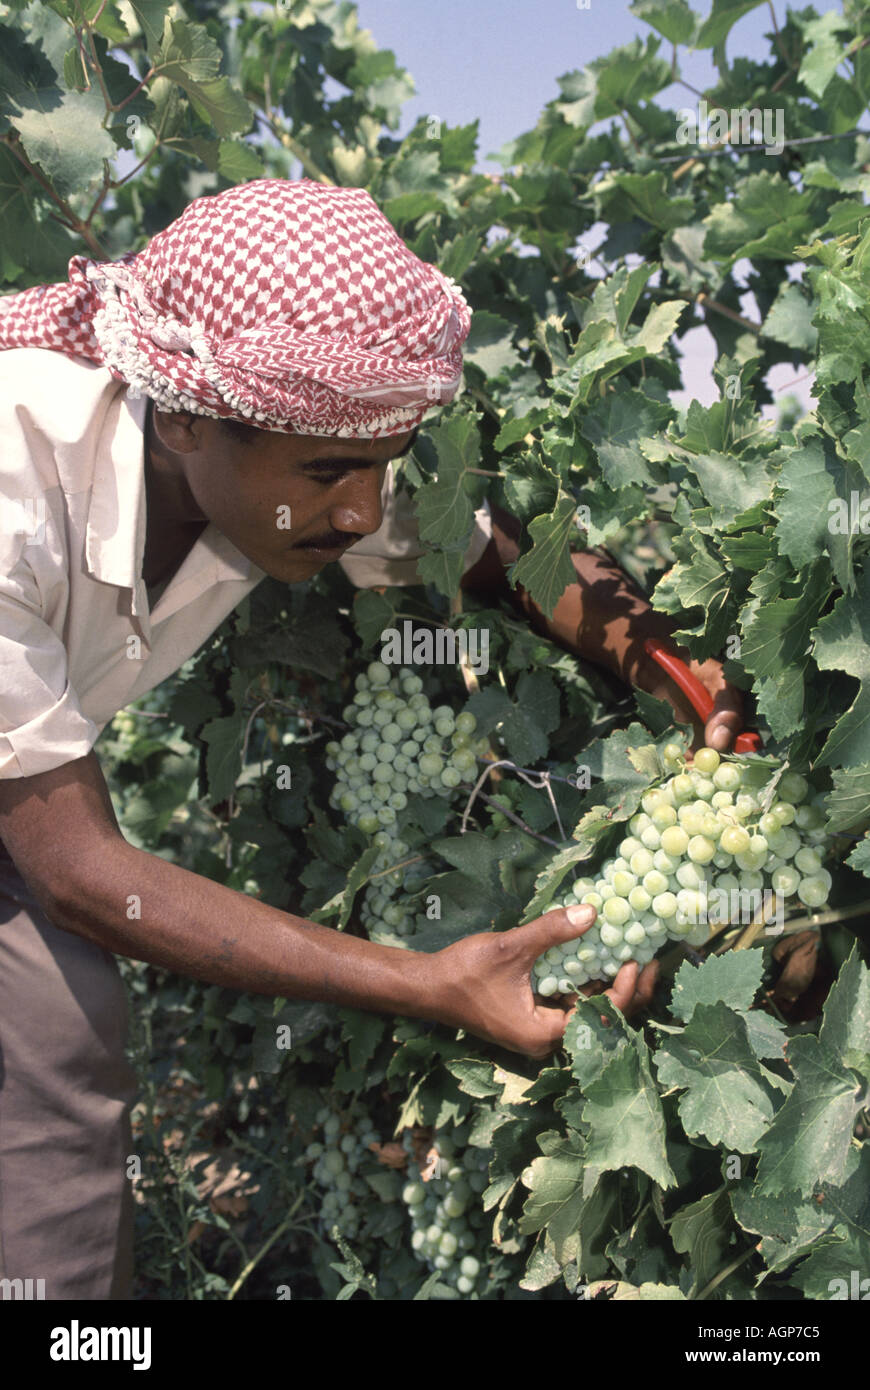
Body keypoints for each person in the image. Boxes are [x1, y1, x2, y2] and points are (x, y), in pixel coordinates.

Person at [0, 179, 742, 1299]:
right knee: (63, 1024)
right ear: (188, 414)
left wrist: (684, 676)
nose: (363, 511)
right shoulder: (12, 492)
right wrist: (429, 980)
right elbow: (85, 878)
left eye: (385, 465)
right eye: (331, 476)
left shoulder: (287, 456)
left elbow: (496, 555)